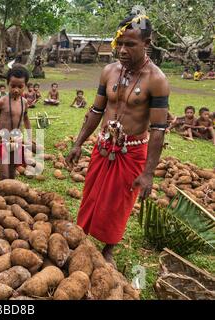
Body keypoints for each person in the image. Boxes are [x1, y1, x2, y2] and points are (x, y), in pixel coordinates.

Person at [66, 14, 170, 267]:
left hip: (132, 151)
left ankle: (109, 248)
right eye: (119, 43)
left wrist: (148, 173)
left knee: (119, 203)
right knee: (91, 194)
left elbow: (158, 129)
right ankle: (82, 237)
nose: (122, 50)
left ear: (147, 42)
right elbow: (96, 111)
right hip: (103, 146)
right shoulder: (108, 71)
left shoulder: (156, 80)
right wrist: (79, 142)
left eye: (130, 45)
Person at [0, 65, 32, 180]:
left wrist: (29, 137)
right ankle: (1, 194)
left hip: (17, 141)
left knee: (12, 173)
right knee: (4, 174)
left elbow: (26, 119)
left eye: (20, 87)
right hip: (2, 141)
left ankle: (9, 195)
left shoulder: (24, 102)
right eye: (13, 86)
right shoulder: (2, 101)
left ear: (25, 86)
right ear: (7, 84)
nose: (16, 90)